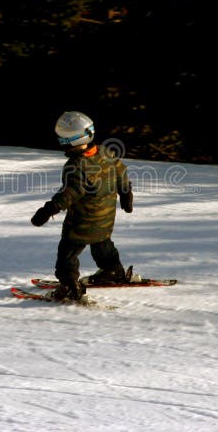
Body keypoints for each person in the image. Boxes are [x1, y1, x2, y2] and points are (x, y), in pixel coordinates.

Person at [31, 111, 134, 302]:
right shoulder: (107, 152)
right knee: (102, 243)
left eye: (62, 139)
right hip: (105, 220)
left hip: (81, 223)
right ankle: (112, 270)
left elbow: (70, 194)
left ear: (72, 140)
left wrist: (48, 210)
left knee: (67, 253)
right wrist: (126, 195)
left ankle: (69, 284)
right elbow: (121, 173)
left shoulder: (76, 165)